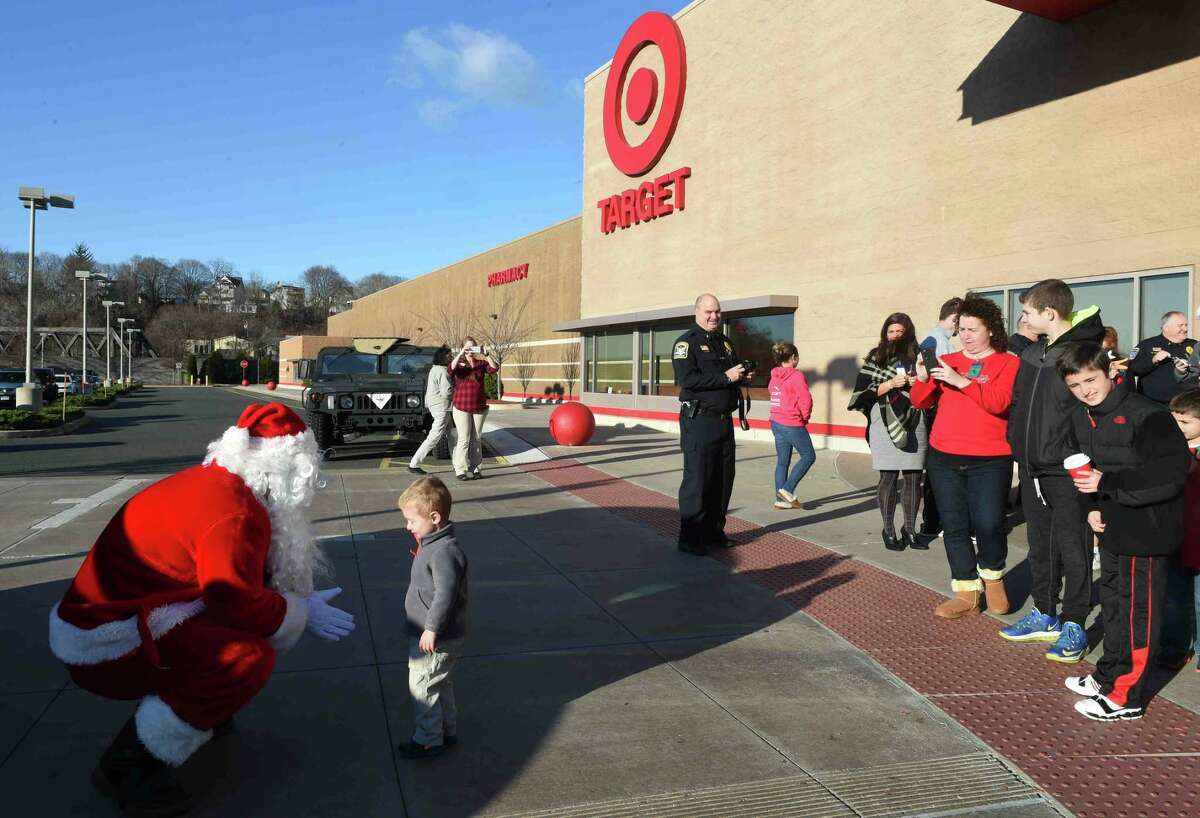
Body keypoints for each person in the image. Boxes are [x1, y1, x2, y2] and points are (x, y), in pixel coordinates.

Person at [49, 403, 355, 815]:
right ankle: (130, 765)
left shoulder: (219, 485)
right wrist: (299, 612)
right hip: (107, 640)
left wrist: (292, 602)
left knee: (235, 640)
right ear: (287, 467)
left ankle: (197, 709)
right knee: (245, 658)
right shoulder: (238, 512)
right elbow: (234, 601)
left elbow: (232, 581)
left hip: (109, 617)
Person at [1057, 342, 1191, 720]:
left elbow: (1172, 474)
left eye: (1091, 379)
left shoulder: (1148, 414)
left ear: (1110, 373)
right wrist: (1092, 508)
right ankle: (1108, 676)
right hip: (1112, 524)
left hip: (1148, 529)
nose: (1085, 389)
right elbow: (1085, 472)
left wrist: (1109, 483)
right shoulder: (1080, 416)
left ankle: (1126, 697)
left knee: (1139, 612)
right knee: (1115, 605)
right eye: (1075, 384)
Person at [1000, 278, 1105, 662]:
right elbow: (1018, 405)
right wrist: (1017, 447)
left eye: (1027, 311)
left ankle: (1074, 621)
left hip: (1067, 468)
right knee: (1040, 547)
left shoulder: (1081, 354)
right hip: (1031, 467)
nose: (1022, 318)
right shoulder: (1033, 355)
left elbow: (1094, 409)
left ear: (1049, 313)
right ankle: (1045, 613)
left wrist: (1086, 459)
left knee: (1074, 547)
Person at [911, 295, 1019, 619]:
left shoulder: (1008, 362)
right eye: (962, 328)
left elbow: (1000, 403)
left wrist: (962, 382)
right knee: (955, 526)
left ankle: (993, 576)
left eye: (973, 329)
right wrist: (922, 377)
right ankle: (966, 591)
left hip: (990, 458)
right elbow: (919, 402)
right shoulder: (950, 358)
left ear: (991, 330)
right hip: (944, 456)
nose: (966, 335)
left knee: (988, 524)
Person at [397, 476, 468, 758]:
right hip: (434, 634)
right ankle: (446, 730)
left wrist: (431, 628)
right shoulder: (432, 544)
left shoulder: (444, 552)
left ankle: (428, 739)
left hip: (436, 637)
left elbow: (445, 595)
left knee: (423, 685)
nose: (407, 526)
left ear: (434, 517)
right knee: (439, 682)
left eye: (412, 521)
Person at [672, 293, 748, 555]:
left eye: (717, 311)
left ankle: (715, 532)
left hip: (724, 422)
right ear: (696, 312)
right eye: (708, 312)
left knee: (722, 480)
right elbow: (688, 379)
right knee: (698, 480)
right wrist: (725, 377)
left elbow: (730, 376)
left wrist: (741, 376)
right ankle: (690, 538)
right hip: (700, 421)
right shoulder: (686, 344)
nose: (714, 316)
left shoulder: (725, 343)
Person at [848, 312, 927, 552]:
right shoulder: (876, 357)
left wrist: (919, 381)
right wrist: (891, 384)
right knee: (889, 476)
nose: (894, 336)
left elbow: (935, 386)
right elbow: (862, 393)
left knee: (914, 476)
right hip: (884, 419)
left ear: (908, 333)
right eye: (890, 332)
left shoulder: (920, 355)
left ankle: (910, 529)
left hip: (915, 417)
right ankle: (889, 529)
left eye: (899, 332)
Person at [1160, 388, 1200, 672]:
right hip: (1174, 538)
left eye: (1184, 422)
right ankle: (1175, 646)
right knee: (1174, 598)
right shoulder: (1169, 450)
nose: (1177, 427)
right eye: (1174, 421)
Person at [768, 341, 815, 509]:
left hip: (776, 422)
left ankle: (780, 500)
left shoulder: (774, 375)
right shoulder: (796, 375)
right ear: (793, 358)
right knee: (809, 456)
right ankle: (787, 490)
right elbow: (806, 399)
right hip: (792, 422)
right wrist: (804, 418)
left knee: (782, 461)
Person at [448, 337, 498, 481]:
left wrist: (487, 354)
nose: (470, 350)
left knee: (476, 438)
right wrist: (460, 353)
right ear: (463, 348)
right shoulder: (459, 363)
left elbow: (494, 368)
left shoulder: (481, 363)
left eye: (473, 347)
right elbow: (450, 369)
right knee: (464, 438)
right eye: (467, 347)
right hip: (461, 406)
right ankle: (460, 470)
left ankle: (476, 468)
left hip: (479, 406)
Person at [1128, 311, 1197, 405]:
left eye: (1186, 325)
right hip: (1153, 405)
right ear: (1166, 328)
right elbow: (1131, 369)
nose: (1185, 329)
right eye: (1180, 325)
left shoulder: (1195, 345)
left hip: (1187, 405)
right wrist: (1153, 360)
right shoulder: (1146, 345)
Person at [408, 346, 454, 475]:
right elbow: (447, 392)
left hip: (437, 406)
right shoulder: (443, 372)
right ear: (443, 357)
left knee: (452, 435)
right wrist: (458, 391)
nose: (451, 358)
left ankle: (458, 463)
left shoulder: (434, 369)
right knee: (434, 437)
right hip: (442, 408)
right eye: (449, 356)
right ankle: (414, 463)